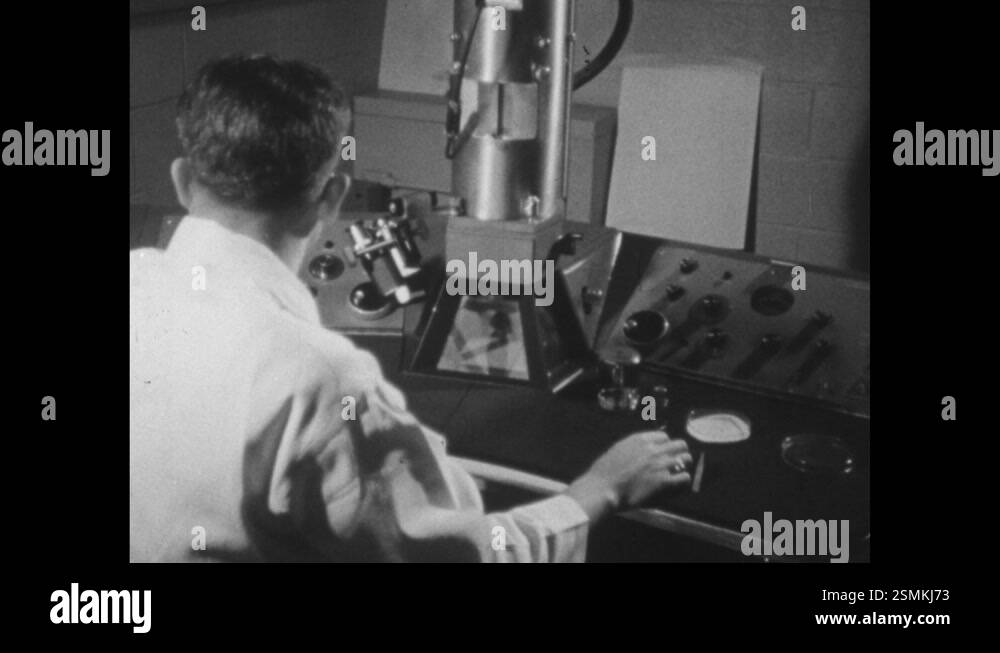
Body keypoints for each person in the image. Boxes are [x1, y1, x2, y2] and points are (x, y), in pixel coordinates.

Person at [129, 54, 692, 562]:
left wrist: (398, 453)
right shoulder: (322, 382)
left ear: (182, 182)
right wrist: (597, 491)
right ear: (330, 199)